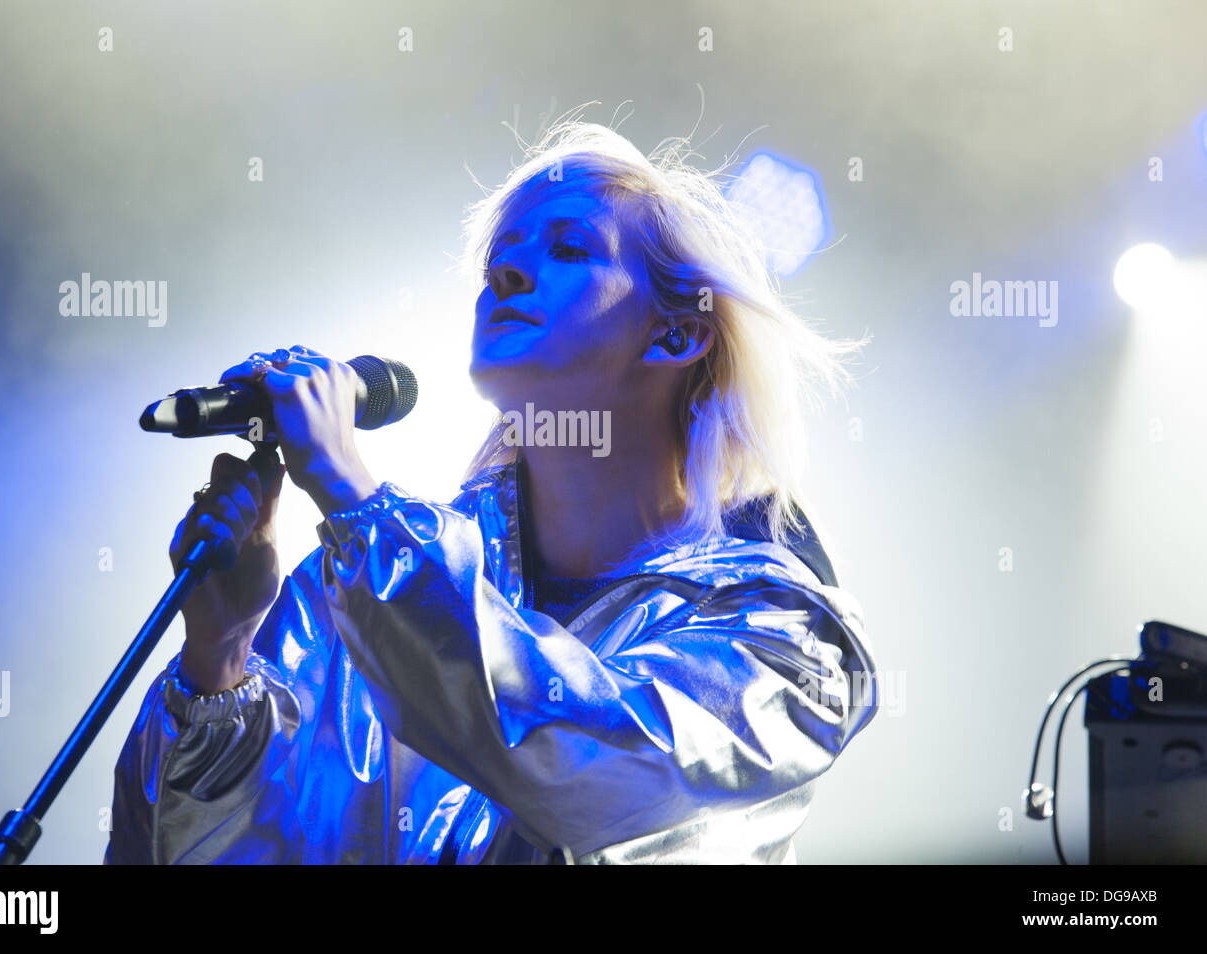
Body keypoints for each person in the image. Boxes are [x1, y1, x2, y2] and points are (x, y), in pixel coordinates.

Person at [106, 116, 878, 864]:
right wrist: (221, 654)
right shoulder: (356, 586)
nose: (505, 274)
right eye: (496, 261)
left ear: (677, 332)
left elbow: (583, 767)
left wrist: (349, 491)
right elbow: (206, 852)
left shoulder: (780, 637)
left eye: (570, 248)